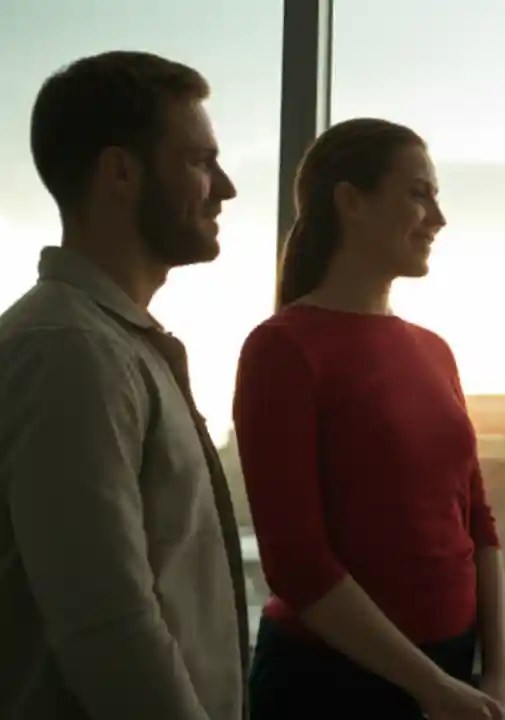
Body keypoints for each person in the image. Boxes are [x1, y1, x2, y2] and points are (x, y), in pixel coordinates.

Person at [232, 118, 505, 719]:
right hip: (329, 687)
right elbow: (296, 563)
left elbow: (478, 524)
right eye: (418, 193)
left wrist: (494, 680)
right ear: (350, 201)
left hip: (453, 680)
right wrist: (434, 690)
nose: (438, 217)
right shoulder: (282, 348)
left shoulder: (435, 350)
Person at [0, 51, 247, 719]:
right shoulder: (70, 350)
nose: (224, 187)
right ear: (120, 172)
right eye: (199, 161)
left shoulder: (105, 343)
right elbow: (107, 624)